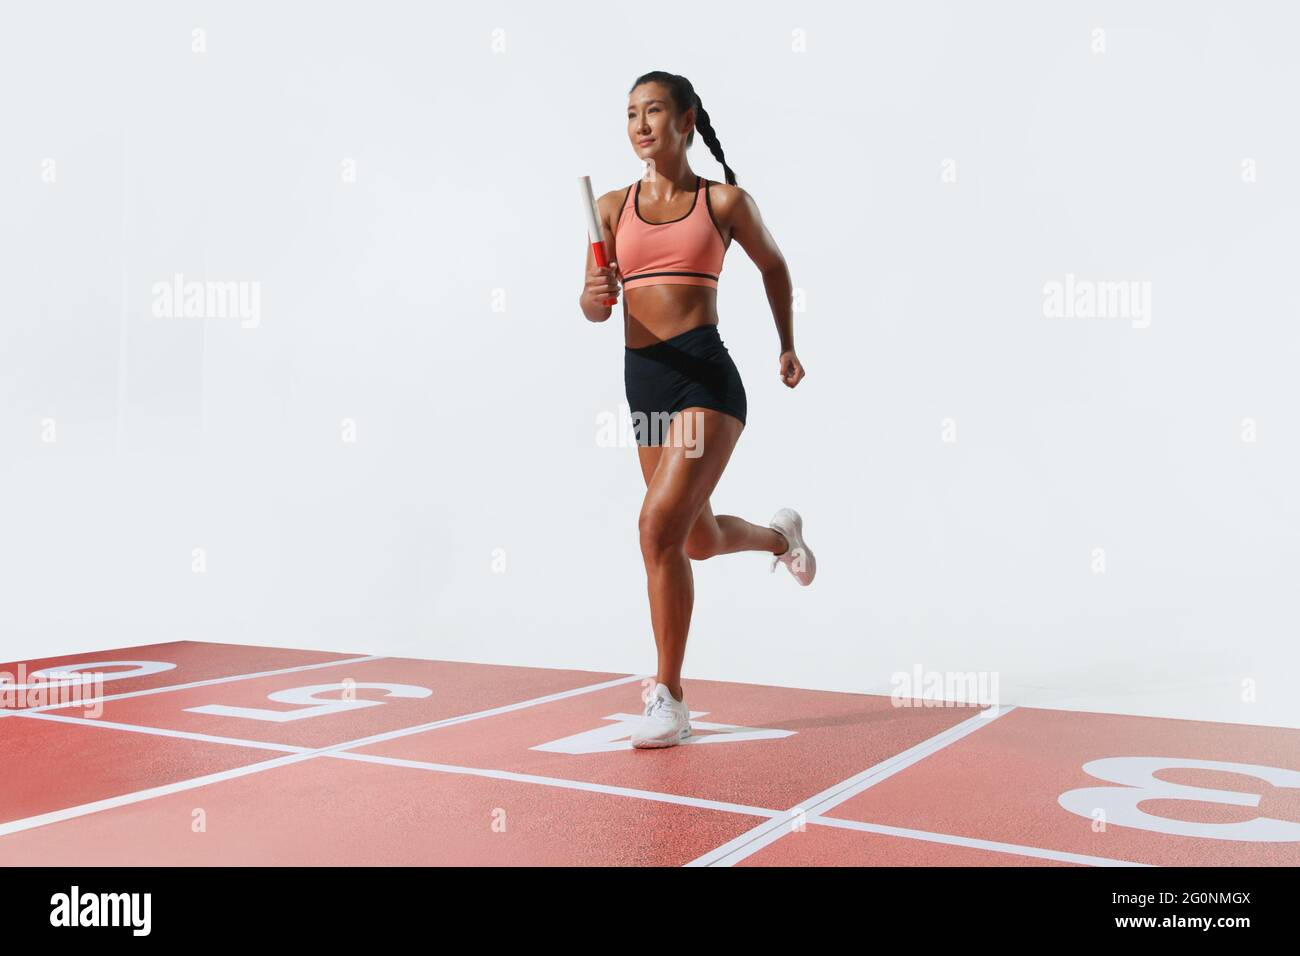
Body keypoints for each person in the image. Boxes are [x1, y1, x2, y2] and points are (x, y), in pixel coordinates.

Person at [578, 71, 816, 749]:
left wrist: (787, 346)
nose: (640, 125)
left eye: (654, 111)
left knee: (655, 527)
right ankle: (781, 537)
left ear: (685, 122)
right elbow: (595, 309)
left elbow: (774, 266)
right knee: (694, 540)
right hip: (644, 385)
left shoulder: (725, 202)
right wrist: (595, 294)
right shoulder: (608, 209)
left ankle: (670, 696)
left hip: (707, 382)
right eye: (630, 114)